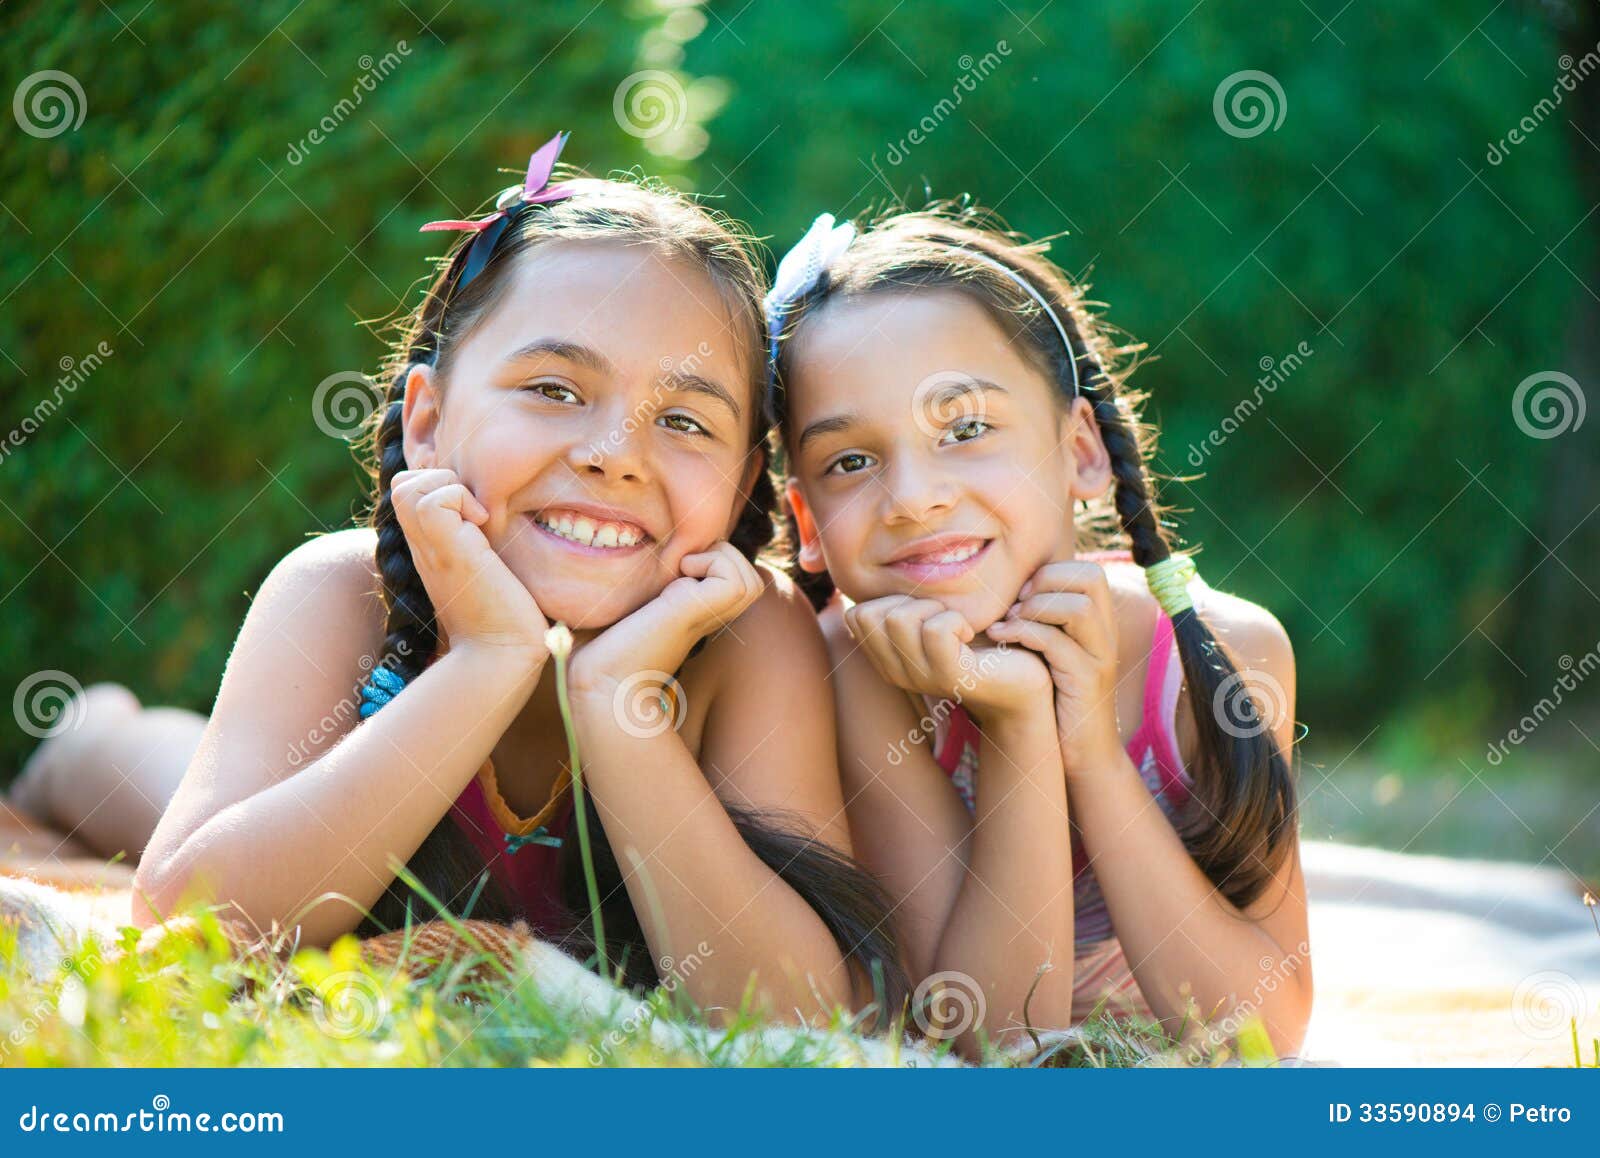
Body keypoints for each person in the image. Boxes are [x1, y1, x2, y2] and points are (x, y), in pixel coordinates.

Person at [766, 207, 1308, 1055]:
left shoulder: (1221, 658)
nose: (913, 498)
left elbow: (1259, 1042)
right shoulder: (853, 668)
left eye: (966, 429)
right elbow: (986, 1043)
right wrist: (1019, 724)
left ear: (1082, 450)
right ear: (808, 524)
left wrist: (1090, 752)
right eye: (851, 461)